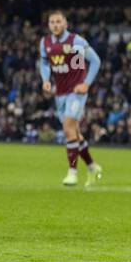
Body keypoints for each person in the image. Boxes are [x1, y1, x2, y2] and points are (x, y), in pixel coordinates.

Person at [39, 10, 103, 186]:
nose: (56, 25)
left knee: (68, 129)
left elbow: (95, 60)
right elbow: (44, 62)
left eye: (59, 21)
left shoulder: (75, 41)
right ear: (49, 25)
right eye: (52, 22)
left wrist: (86, 84)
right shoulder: (45, 43)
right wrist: (45, 80)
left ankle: (72, 172)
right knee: (74, 133)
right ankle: (92, 166)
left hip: (76, 92)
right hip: (60, 93)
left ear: (65, 23)